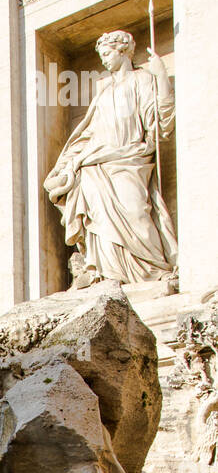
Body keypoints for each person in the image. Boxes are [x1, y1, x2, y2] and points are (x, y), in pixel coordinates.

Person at [44, 30, 177, 286]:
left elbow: (161, 124)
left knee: (137, 212)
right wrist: (67, 164)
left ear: (123, 51)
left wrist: (161, 76)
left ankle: (152, 270)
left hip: (130, 158)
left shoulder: (143, 80)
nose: (103, 60)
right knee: (97, 216)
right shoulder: (104, 91)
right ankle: (105, 273)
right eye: (101, 56)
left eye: (107, 54)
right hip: (95, 163)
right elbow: (88, 133)